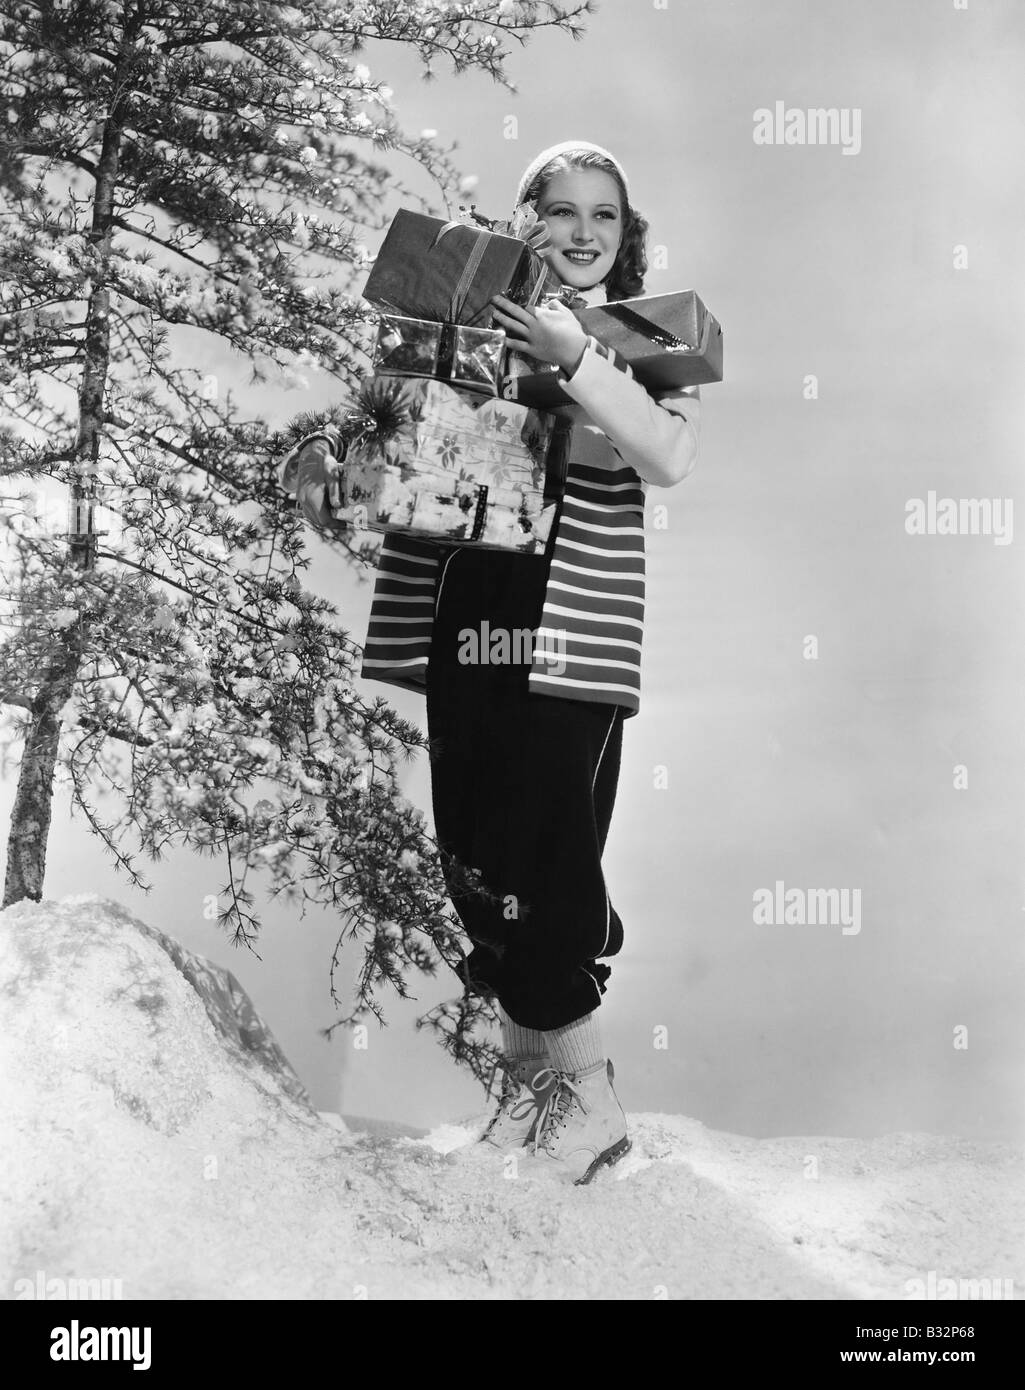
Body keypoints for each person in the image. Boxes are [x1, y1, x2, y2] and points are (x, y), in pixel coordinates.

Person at [284, 140, 702, 1185]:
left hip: (569, 624)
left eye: (602, 215)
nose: (578, 231)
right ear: (517, 225)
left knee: (546, 847)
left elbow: (668, 457)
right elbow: (404, 478)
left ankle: (590, 1104)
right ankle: (531, 1095)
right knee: (475, 850)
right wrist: (333, 484)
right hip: (469, 611)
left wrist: (571, 355)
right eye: (555, 210)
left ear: (624, 232)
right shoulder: (452, 340)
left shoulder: (636, 336)